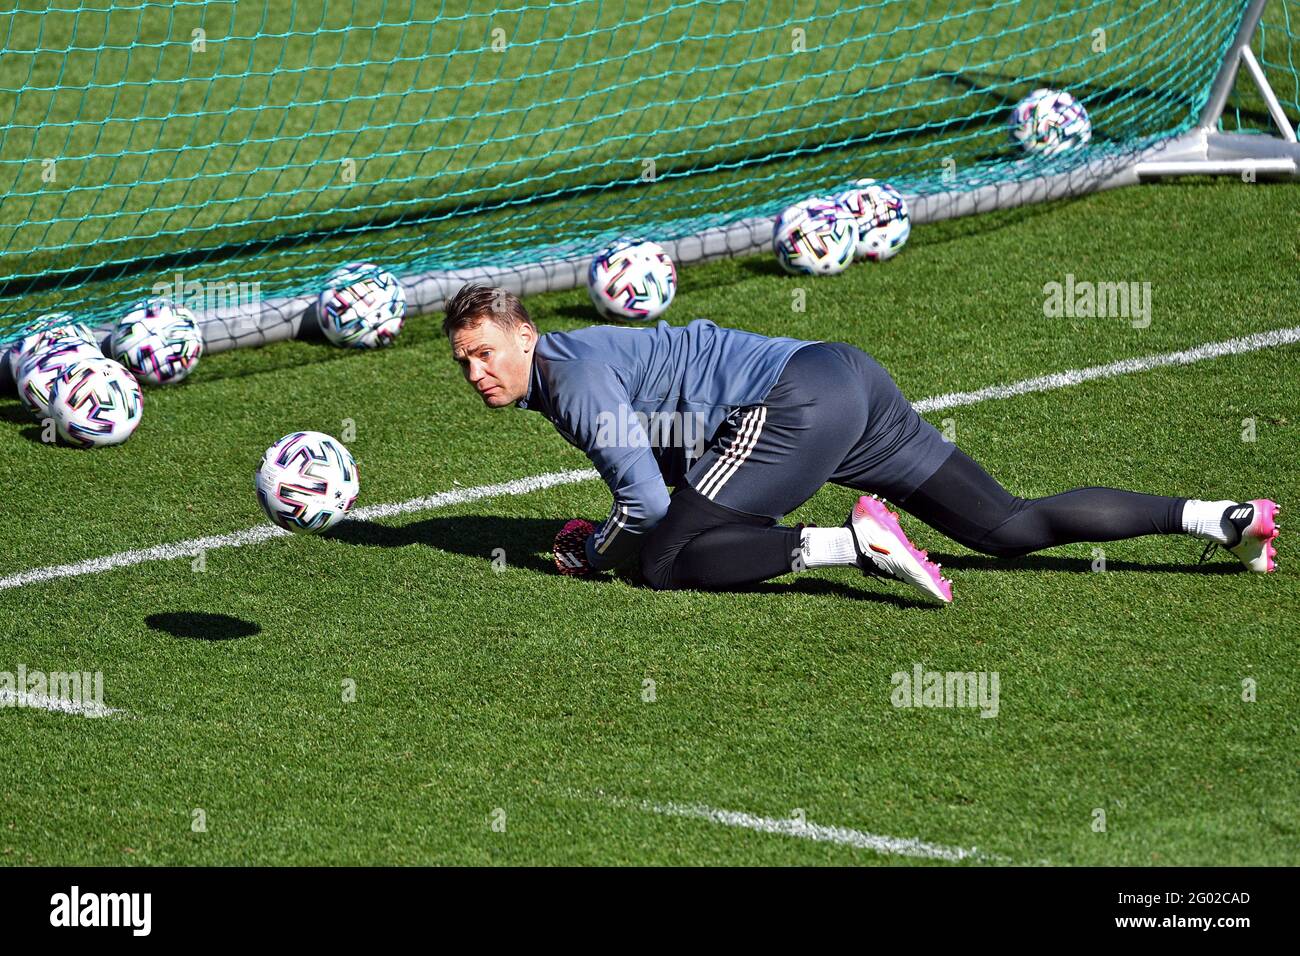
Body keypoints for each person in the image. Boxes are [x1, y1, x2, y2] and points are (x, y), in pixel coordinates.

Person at [443, 284, 1279, 604]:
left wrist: (597, 553)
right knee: (1007, 528)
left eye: (485, 352)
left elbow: (647, 506)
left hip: (792, 406)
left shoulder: (575, 382)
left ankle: (852, 542)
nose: (477, 371)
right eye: (463, 362)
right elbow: (667, 449)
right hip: (843, 381)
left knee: (663, 559)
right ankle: (1221, 518)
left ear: (525, 335)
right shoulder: (574, 366)